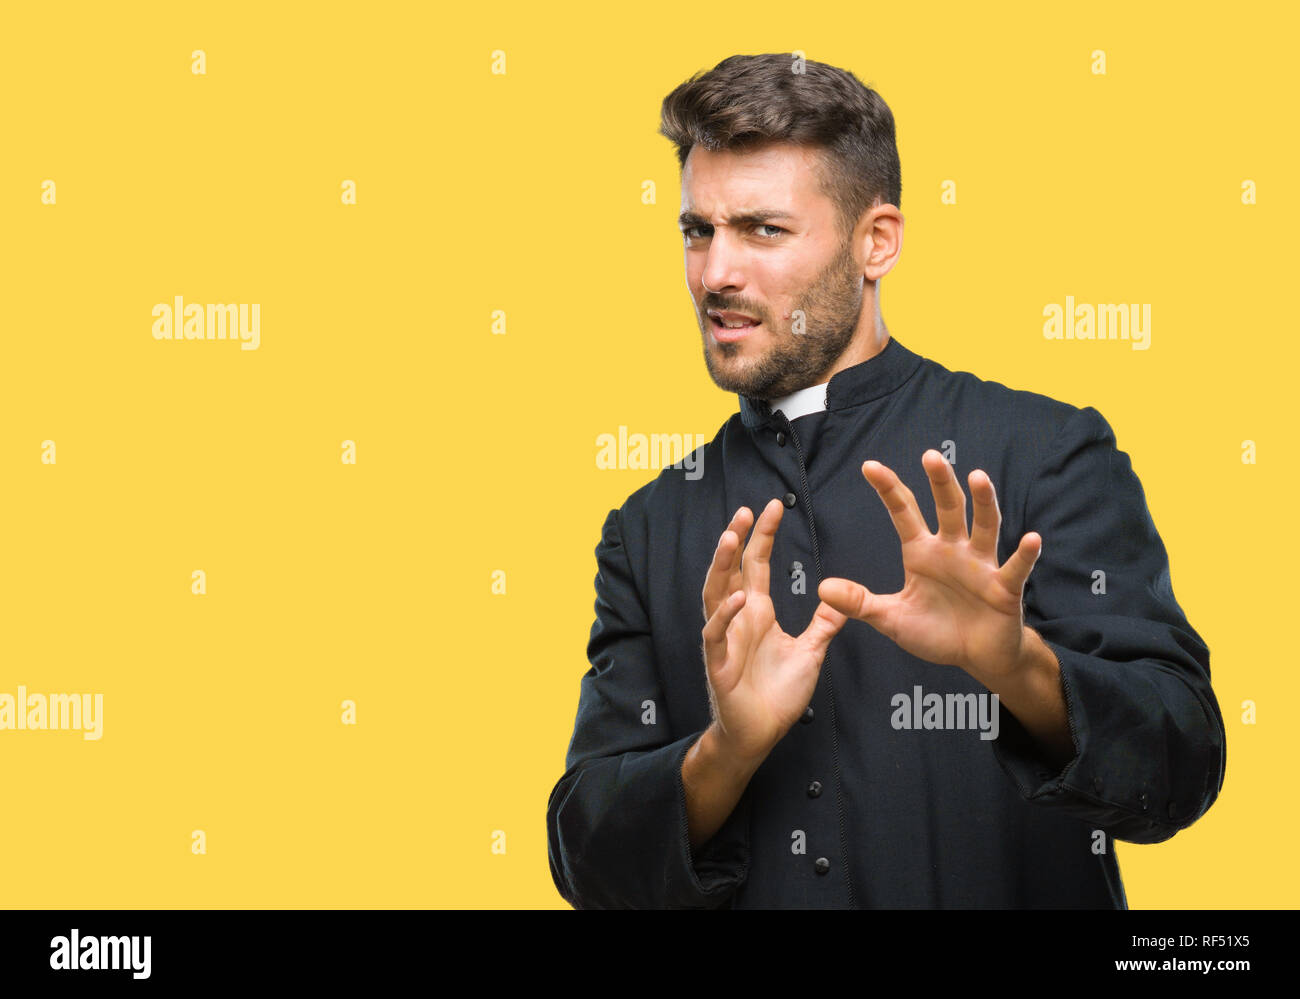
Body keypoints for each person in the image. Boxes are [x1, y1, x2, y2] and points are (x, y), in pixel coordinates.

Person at [545, 53, 1225, 908]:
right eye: (697, 230)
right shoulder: (647, 528)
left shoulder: (1044, 450)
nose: (716, 271)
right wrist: (727, 749)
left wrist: (1020, 667)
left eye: (762, 229)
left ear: (877, 242)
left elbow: (1185, 766)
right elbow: (589, 861)